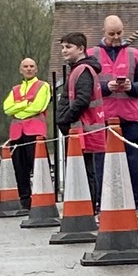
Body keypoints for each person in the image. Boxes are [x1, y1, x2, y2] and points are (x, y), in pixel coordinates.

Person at [92, 14, 138, 210]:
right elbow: (88, 87)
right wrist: (107, 87)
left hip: (129, 117)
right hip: (103, 118)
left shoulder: (134, 54)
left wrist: (130, 87)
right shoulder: (93, 55)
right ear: (103, 32)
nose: (116, 37)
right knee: (102, 164)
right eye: (111, 34)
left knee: (134, 164)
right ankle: (103, 205)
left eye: (119, 33)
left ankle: (135, 206)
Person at [56, 32, 106, 205]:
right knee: (85, 170)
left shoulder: (82, 71)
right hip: (81, 128)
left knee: (86, 171)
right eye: (62, 47)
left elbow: (82, 100)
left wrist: (66, 119)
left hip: (83, 129)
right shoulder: (80, 70)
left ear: (81, 49)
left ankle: (89, 207)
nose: (64, 51)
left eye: (68, 47)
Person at [2, 56, 51, 211]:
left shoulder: (43, 86)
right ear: (20, 70)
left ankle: (41, 197)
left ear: (36, 69)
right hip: (17, 134)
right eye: (26, 66)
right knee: (19, 167)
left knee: (38, 166)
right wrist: (25, 104)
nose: (29, 69)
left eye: (31, 66)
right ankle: (24, 199)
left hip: (35, 132)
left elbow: (38, 106)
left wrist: (19, 111)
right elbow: (7, 108)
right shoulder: (15, 89)